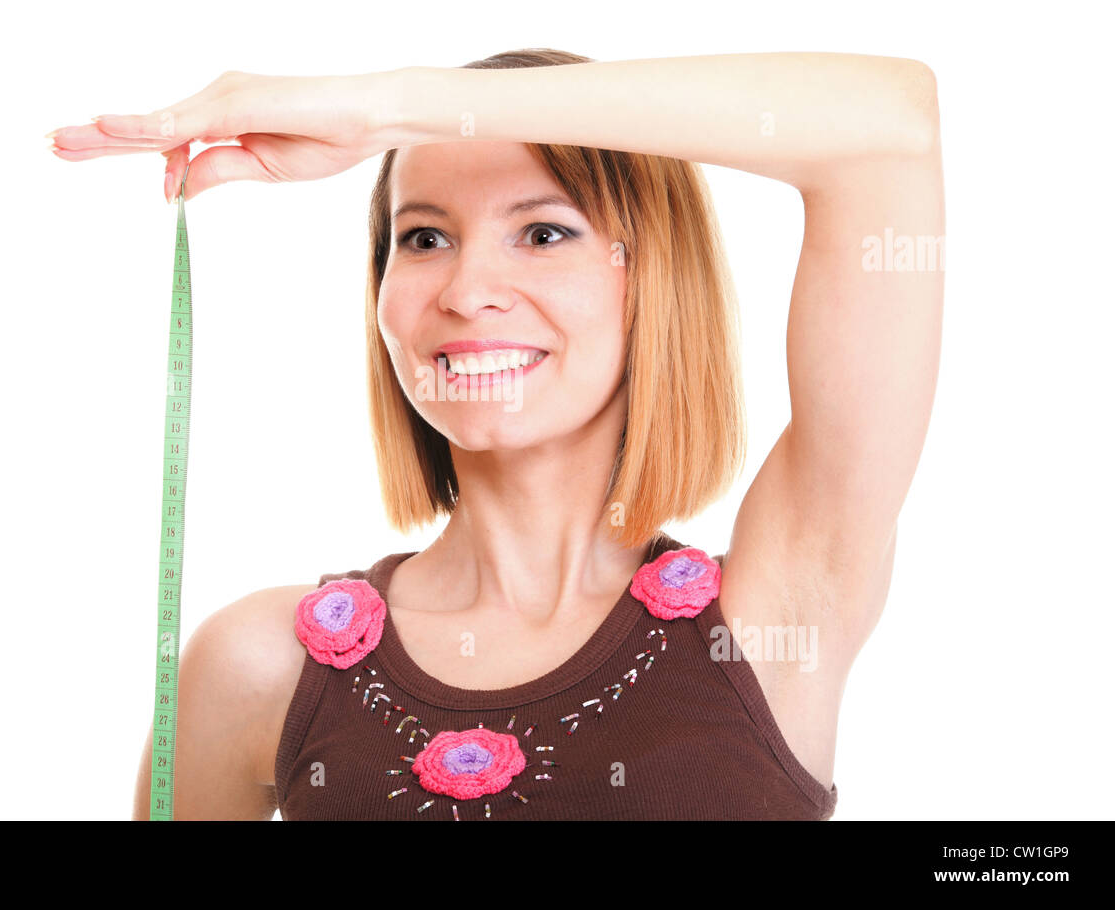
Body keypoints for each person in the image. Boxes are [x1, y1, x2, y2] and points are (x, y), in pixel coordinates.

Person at [49, 48, 944, 820]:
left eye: (543, 232)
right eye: (424, 237)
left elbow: (889, 128)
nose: (467, 290)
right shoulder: (258, 665)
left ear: (652, 274)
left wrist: (387, 108)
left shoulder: (775, 613)